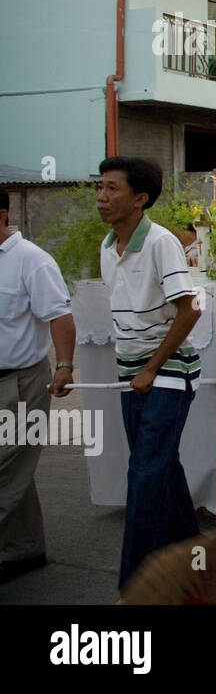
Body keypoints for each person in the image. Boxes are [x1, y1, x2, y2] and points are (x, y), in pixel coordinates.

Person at [96, 157, 203, 590]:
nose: (102, 197)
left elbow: (191, 308)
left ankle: (134, 586)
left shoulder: (160, 243)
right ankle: (197, 557)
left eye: (112, 189)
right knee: (160, 467)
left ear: (139, 199)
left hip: (169, 370)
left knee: (143, 472)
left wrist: (152, 367)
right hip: (132, 371)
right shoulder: (107, 246)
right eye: (100, 188)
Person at [0, 188, 75, 585]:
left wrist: (64, 366)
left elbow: (59, 315)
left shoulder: (31, 260)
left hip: (20, 381)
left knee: (7, 466)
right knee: (14, 469)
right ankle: (24, 549)